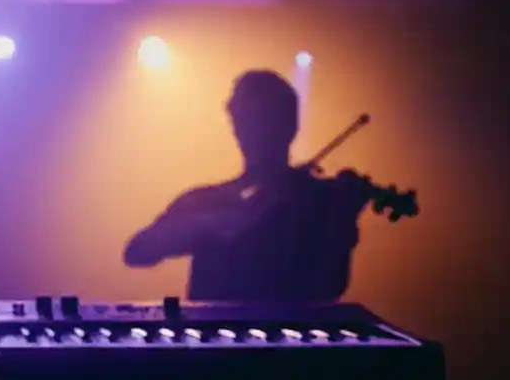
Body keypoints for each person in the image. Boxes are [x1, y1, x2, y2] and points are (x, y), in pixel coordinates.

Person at [124, 69, 371, 303]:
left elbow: (328, 288)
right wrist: (210, 224)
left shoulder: (320, 200)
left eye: (267, 120)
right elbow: (137, 251)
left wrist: (341, 219)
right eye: (247, 121)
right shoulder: (207, 201)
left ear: (291, 127)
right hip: (214, 334)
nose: (257, 132)